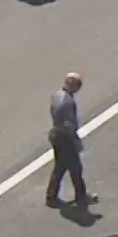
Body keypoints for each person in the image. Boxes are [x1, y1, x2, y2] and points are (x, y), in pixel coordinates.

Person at [46, 72, 91, 209]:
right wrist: (75, 141)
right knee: (73, 168)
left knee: (64, 167)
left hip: (56, 135)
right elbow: (68, 125)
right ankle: (79, 196)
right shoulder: (68, 102)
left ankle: (53, 196)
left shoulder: (57, 95)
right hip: (64, 139)